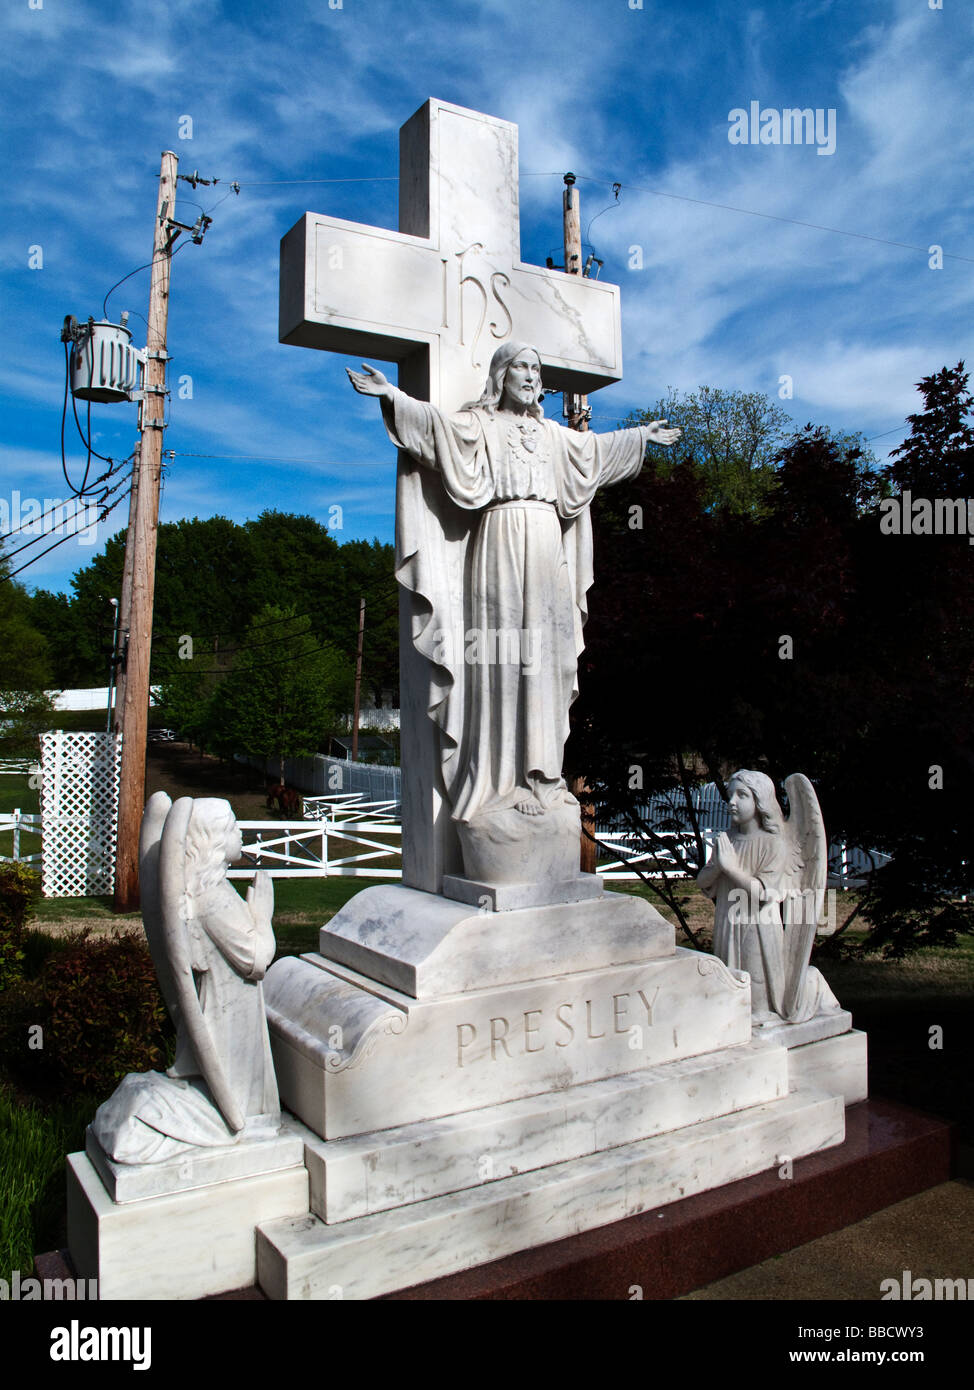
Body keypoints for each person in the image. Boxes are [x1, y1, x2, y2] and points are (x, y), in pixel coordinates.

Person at [348, 342, 680, 829]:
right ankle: (501, 778)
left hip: (546, 544)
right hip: (499, 542)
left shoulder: (554, 435)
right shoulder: (479, 424)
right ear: (501, 375)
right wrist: (391, 396)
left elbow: (595, 451)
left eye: (536, 369)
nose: (530, 376)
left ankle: (542, 776)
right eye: (520, 367)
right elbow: (436, 430)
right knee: (501, 658)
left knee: (547, 658)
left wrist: (639, 436)